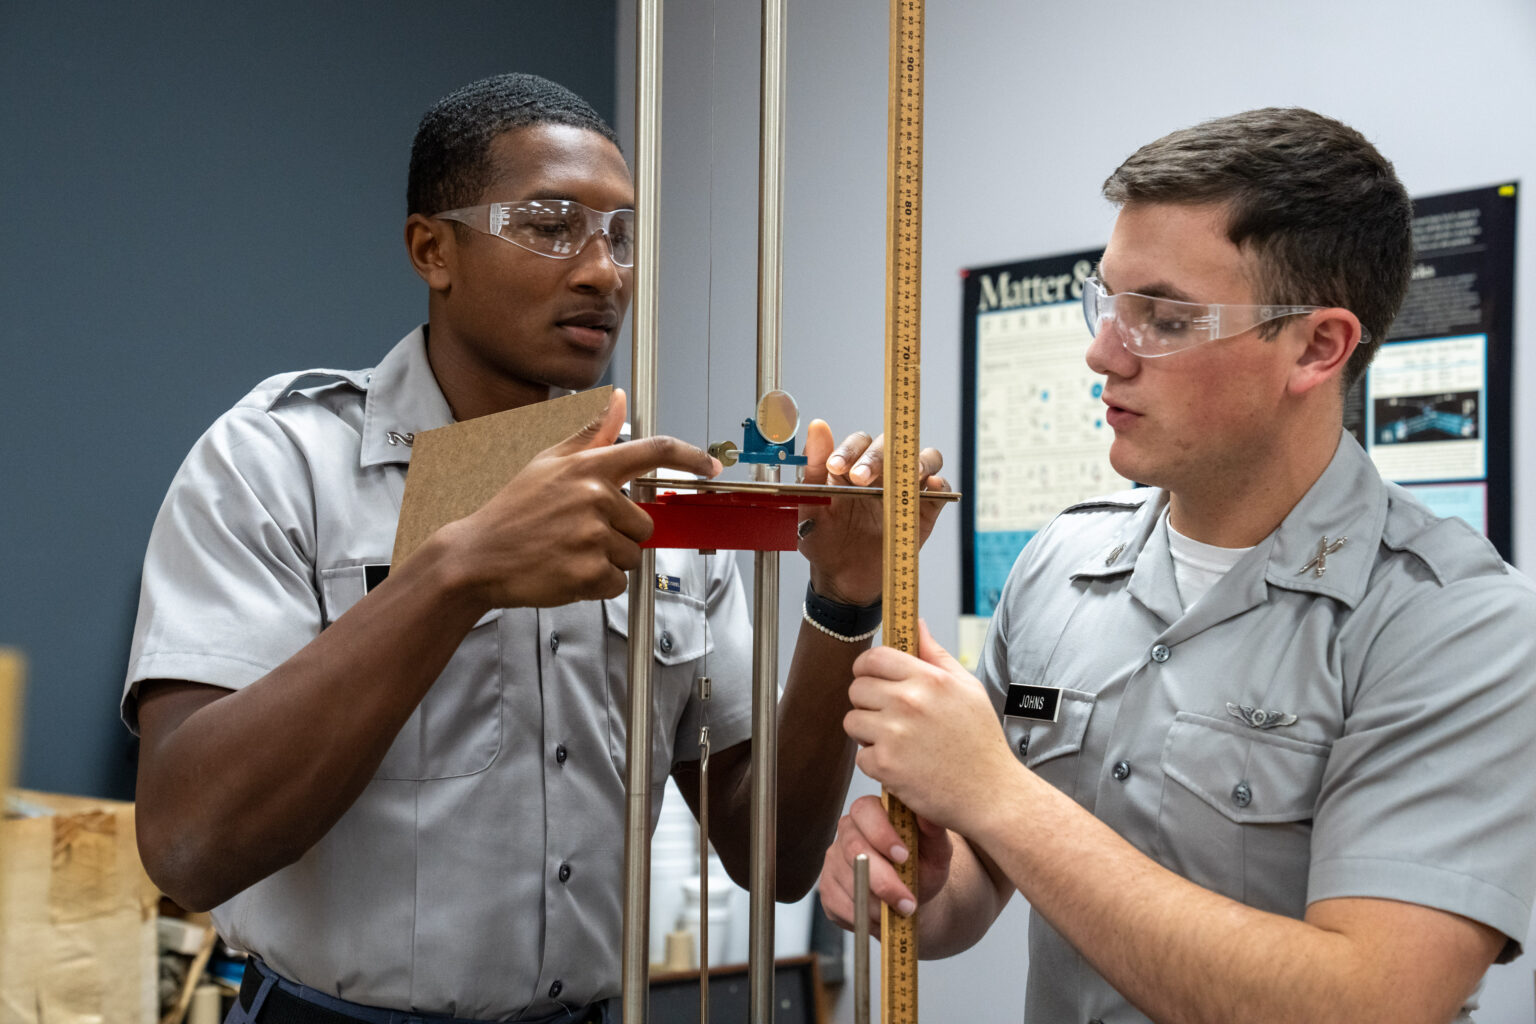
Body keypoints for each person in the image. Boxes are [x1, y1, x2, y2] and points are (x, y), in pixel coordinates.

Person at [123, 73, 945, 1024]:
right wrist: (457, 573)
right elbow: (188, 845)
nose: (603, 270)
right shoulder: (278, 463)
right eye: (550, 226)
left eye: (621, 235)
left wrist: (842, 602)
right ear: (433, 248)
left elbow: (777, 860)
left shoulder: (660, 498)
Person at [819, 107, 1536, 1023]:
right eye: (1107, 302)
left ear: (1317, 347)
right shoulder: (1060, 567)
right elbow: (979, 884)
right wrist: (912, 881)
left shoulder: (1453, 626)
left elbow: (1371, 1001)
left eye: (1161, 317)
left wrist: (995, 794)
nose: (1102, 352)